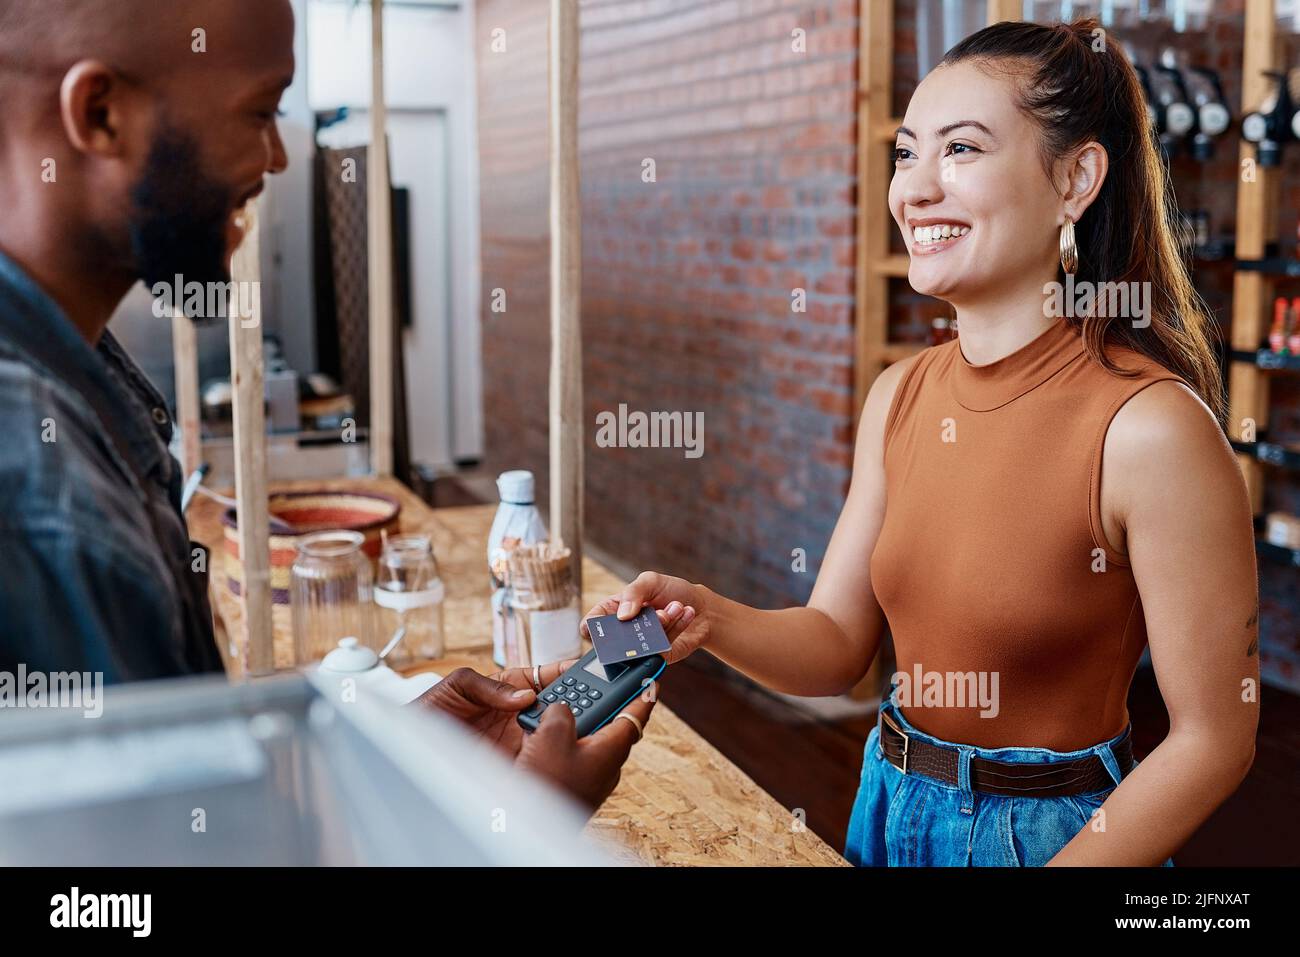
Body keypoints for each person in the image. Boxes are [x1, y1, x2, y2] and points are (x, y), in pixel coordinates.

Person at [583, 19, 1259, 866]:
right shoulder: (899, 395)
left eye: (962, 150)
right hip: (886, 798)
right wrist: (705, 617)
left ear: (1077, 179)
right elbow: (835, 643)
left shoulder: (1152, 427)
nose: (914, 189)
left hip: (1051, 838)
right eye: (906, 153)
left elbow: (1213, 736)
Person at [0, 0, 653, 813]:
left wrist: (394, 759)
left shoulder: (80, 397)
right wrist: (520, 827)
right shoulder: (42, 494)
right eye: (261, 110)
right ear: (101, 114)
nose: (276, 157)